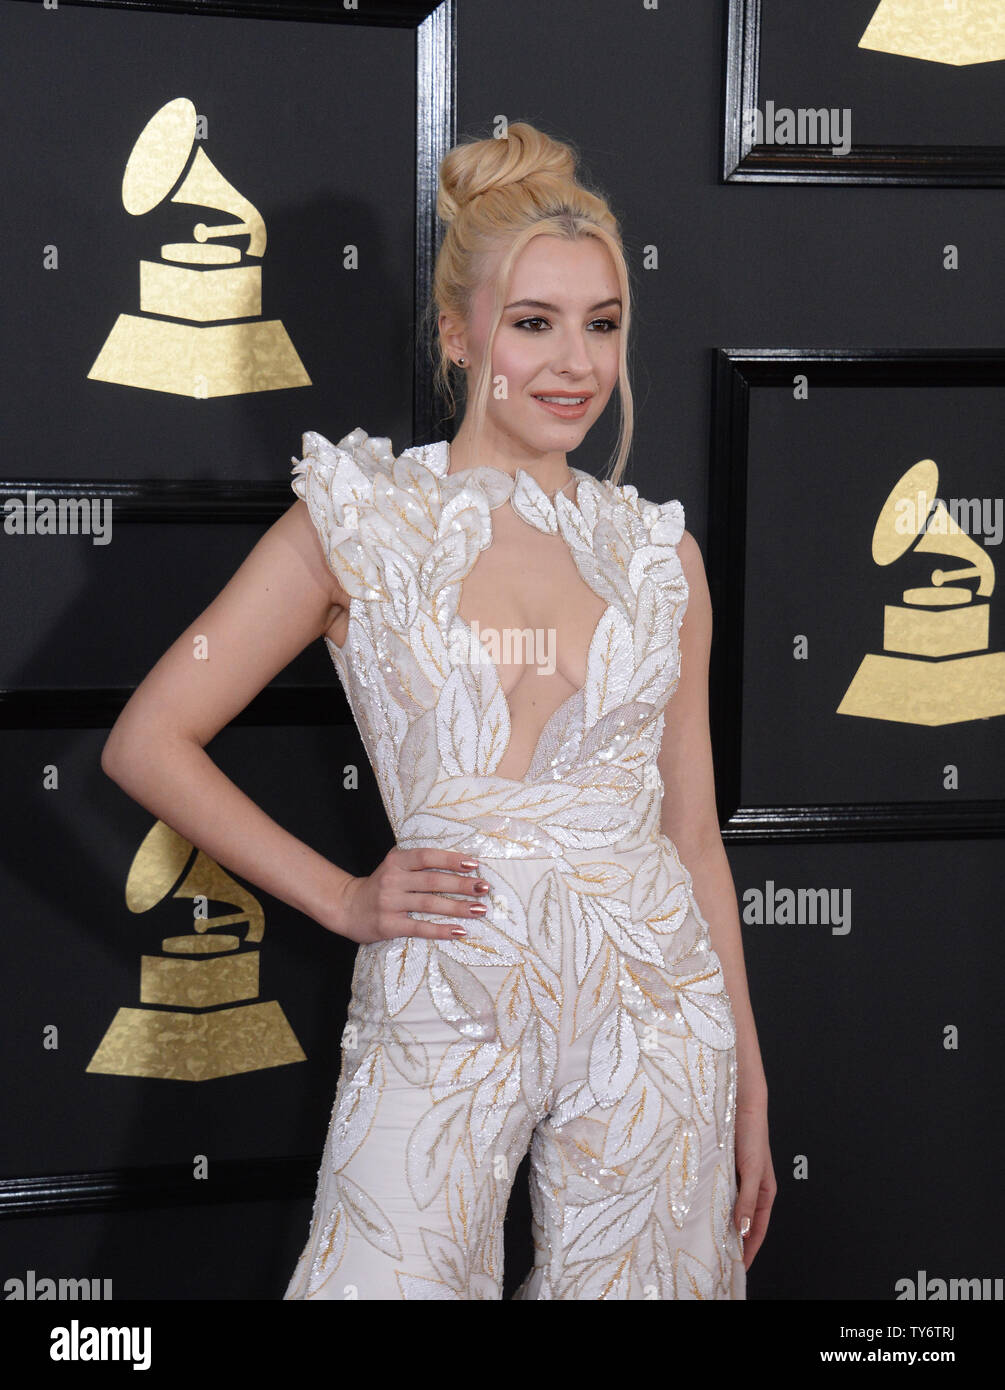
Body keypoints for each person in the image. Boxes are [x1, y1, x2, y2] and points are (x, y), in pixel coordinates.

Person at [101, 121, 775, 1300]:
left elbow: (695, 836)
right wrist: (344, 897)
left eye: (602, 324)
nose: (575, 362)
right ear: (460, 335)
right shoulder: (361, 520)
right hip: (444, 988)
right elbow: (148, 739)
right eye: (534, 322)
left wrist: (752, 1085)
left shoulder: (663, 556)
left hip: (660, 1012)